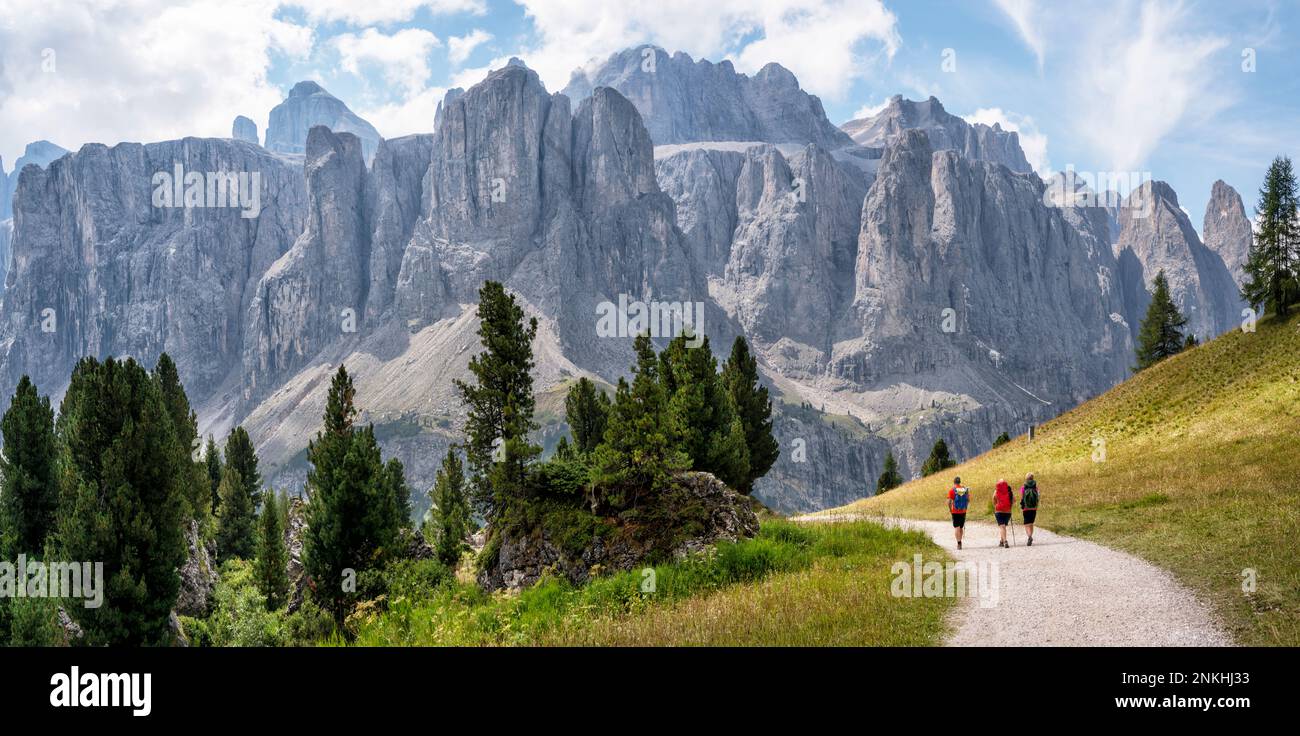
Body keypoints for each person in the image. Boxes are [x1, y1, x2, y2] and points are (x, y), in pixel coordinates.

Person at [947, 476, 971, 549]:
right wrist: (965, 507)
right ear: (960, 482)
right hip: (963, 511)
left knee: (956, 527)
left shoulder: (952, 490)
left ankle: (959, 543)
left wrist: (950, 509)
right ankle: (960, 542)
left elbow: (949, 502)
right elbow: (968, 500)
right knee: (961, 527)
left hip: (955, 511)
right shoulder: (964, 489)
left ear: (954, 482)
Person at [993, 478, 1014, 547]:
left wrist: (996, 505)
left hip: (999, 511)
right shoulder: (1009, 490)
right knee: (1003, 526)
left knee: (1002, 526)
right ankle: (1001, 541)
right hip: (1008, 512)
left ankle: (1005, 542)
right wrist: (1009, 506)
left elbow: (993, 499)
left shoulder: (996, 491)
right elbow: (1013, 500)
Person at [1020, 473, 1039, 546]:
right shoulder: (1036, 487)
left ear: (1026, 479)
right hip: (1034, 508)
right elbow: (1038, 497)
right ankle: (1030, 536)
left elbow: (1022, 498)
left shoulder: (1023, 487)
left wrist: (1022, 506)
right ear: (1033, 478)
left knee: (1026, 524)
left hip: (1026, 508)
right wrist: (1036, 506)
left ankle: (1029, 536)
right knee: (1031, 523)